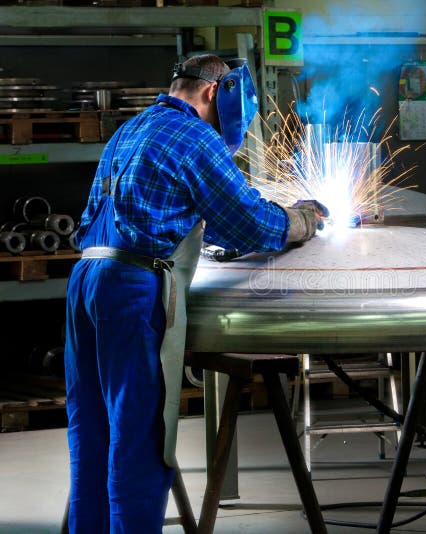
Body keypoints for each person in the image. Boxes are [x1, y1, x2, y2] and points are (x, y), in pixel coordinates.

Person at [64, 54, 325, 532]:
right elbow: (250, 223)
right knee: (139, 433)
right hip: (130, 290)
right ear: (214, 94)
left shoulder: (133, 127)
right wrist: (302, 220)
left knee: (91, 429)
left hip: (85, 281)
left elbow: (164, 212)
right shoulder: (195, 137)